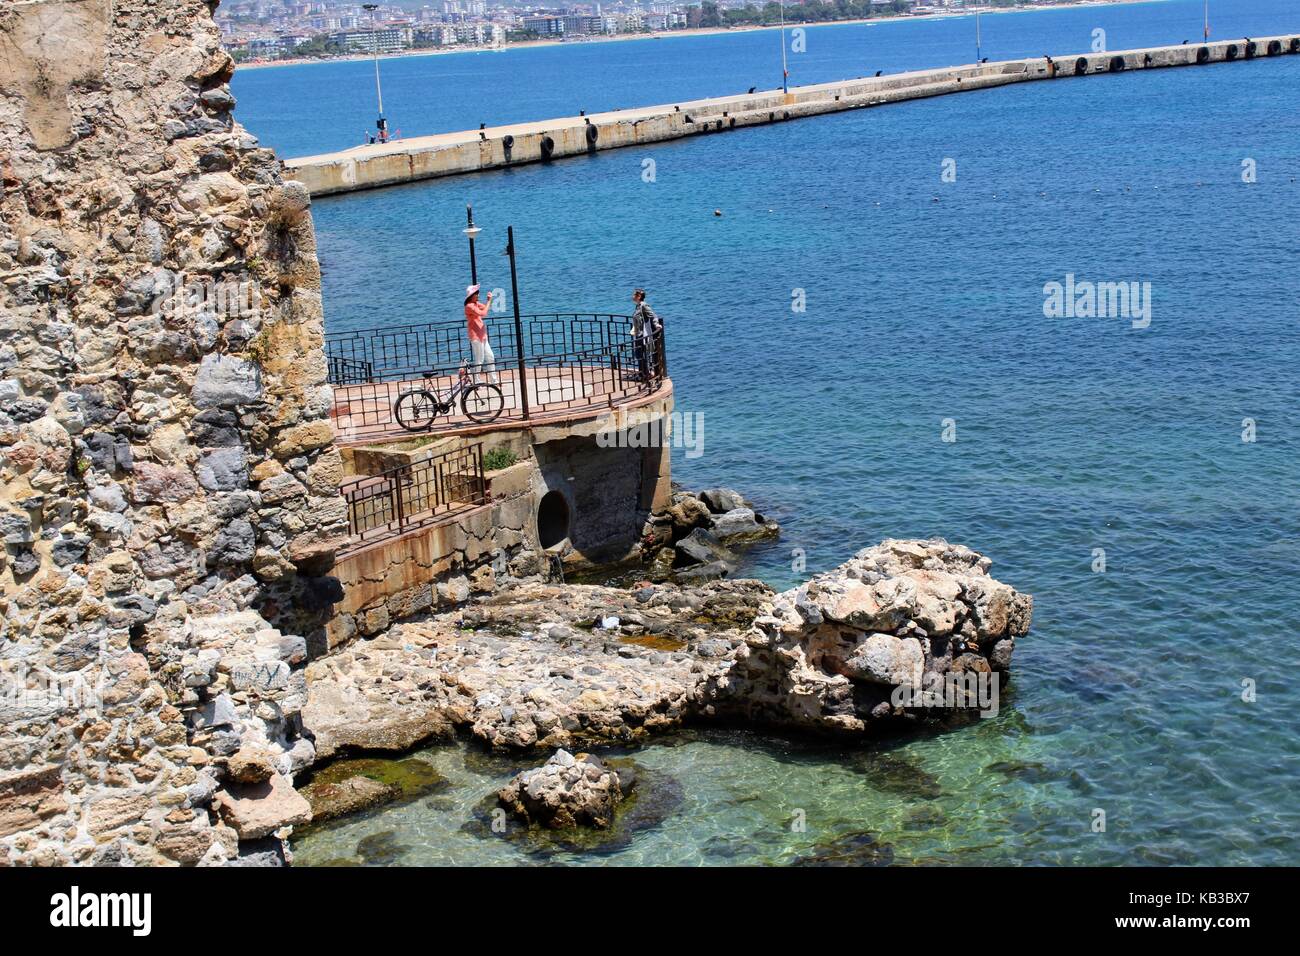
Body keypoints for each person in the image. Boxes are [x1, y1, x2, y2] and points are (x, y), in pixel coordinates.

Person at [464, 284, 497, 384]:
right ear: (471, 295)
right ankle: (476, 381)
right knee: (479, 359)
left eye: (478, 293)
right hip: (475, 336)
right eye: (476, 293)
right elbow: (483, 313)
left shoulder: (475, 303)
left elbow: (487, 308)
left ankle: (493, 381)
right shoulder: (469, 306)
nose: (478, 295)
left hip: (482, 335)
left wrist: (489, 300)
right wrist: (488, 302)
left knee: (490, 356)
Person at [630, 288, 662, 381]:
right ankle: (643, 373)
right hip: (638, 334)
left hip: (642, 335)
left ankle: (644, 374)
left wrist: (656, 324)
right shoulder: (638, 306)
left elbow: (653, 315)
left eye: (634, 295)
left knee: (641, 354)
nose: (632, 297)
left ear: (639, 296)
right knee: (639, 354)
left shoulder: (644, 305)